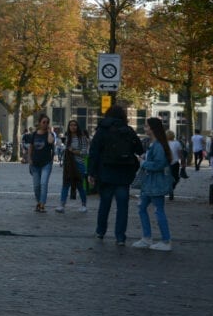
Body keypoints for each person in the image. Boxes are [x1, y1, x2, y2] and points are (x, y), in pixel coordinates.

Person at [88, 104, 143, 246]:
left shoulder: (102, 130)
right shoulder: (128, 130)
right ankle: (120, 237)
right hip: (124, 173)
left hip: (106, 172)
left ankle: (100, 231)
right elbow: (139, 149)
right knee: (122, 206)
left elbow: (93, 152)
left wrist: (91, 172)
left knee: (104, 204)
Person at [133, 117, 173, 251]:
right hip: (150, 184)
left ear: (153, 128)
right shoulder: (154, 144)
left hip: (155, 184)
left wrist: (143, 162)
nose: (144, 128)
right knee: (142, 208)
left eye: (146, 126)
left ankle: (165, 241)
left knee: (158, 210)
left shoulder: (158, 145)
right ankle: (147, 237)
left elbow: (159, 164)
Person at [56, 120, 89, 213]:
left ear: (77, 126)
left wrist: (74, 151)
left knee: (79, 185)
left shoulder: (82, 138)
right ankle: (62, 204)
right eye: (71, 125)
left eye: (75, 125)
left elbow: (85, 152)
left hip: (79, 165)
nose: (73, 127)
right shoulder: (67, 138)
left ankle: (84, 204)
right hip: (69, 165)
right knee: (66, 184)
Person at [26, 116, 56, 212]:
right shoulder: (34, 134)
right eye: (44, 122)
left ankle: (42, 204)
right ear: (39, 123)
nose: (45, 124)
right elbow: (31, 147)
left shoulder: (49, 134)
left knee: (43, 184)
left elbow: (51, 141)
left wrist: (49, 131)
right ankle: (39, 202)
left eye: (47, 122)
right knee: (36, 186)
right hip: (35, 164)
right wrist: (29, 158)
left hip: (46, 164)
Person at [166, 130, 184, 200]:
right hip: (175, 163)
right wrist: (183, 162)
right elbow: (180, 154)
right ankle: (171, 189)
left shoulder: (164, 143)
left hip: (166, 163)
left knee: (167, 178)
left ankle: (170, 189)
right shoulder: (177, 143)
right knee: (176, 178)